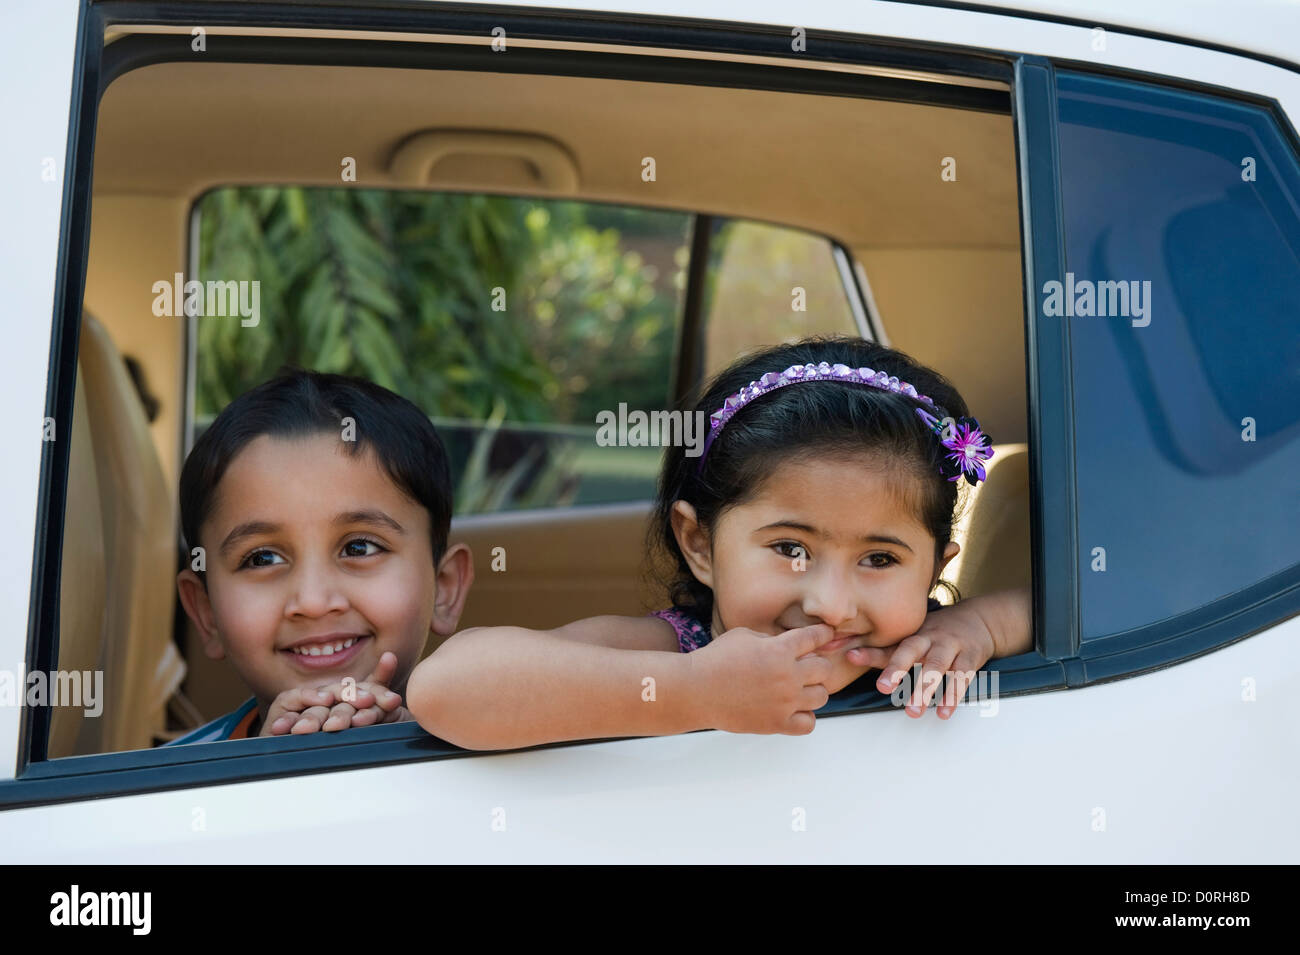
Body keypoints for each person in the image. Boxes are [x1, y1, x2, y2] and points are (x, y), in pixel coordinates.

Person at [407, 337, 1032, 750]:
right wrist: (695, 691)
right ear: (698, 543)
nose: (831, 605)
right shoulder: (677, 652)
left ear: (932, 572)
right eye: (790, 548)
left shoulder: (924, 653)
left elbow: (1066, 611)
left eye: (880, 559)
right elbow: (447, 688)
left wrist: (979, 627)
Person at [167, 369, 473, 743]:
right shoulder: (170, 789)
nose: (312, 602)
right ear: (206, 612)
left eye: (359, 548)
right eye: (262, 558)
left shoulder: (497, 772)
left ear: (445, 588)